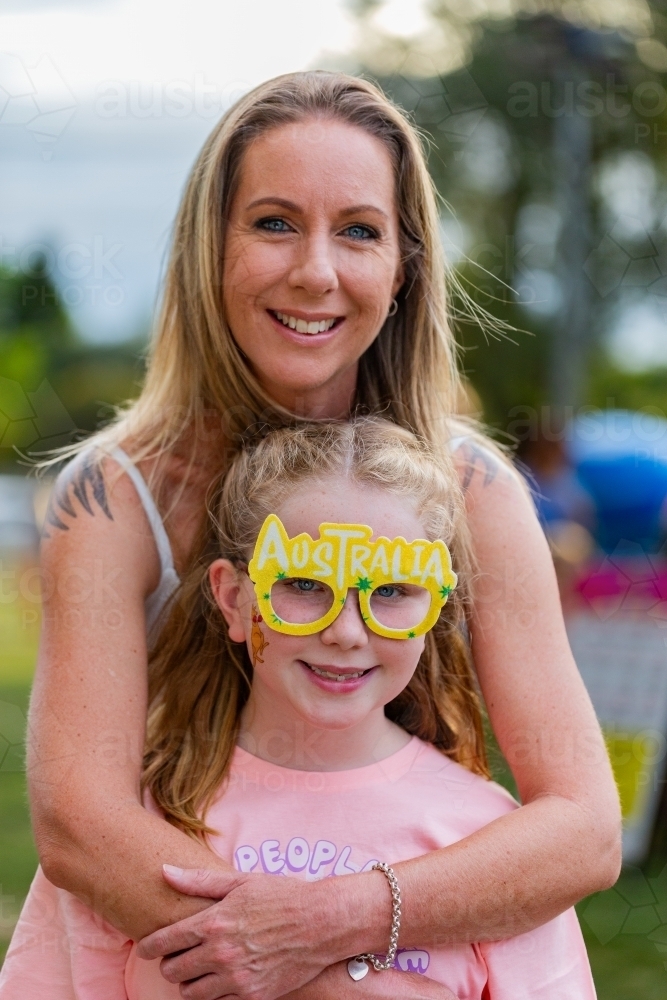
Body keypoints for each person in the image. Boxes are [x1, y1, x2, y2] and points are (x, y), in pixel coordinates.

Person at [25, 71, 620, 1000]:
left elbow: (582, 827)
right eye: (273, 223)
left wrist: (329, 924)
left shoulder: (474, 491)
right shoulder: (115, 495)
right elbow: (78, 824)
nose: (315, 271)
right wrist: (316, 982)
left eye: (358, 231)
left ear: (403, 265)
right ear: (209, 249)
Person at [2, 419, 597, 1000]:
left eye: (391, 591)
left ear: (436, 607)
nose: (346, 632)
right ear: (233, 599)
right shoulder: (130, 838)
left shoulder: (494, 847)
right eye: (306, 584)